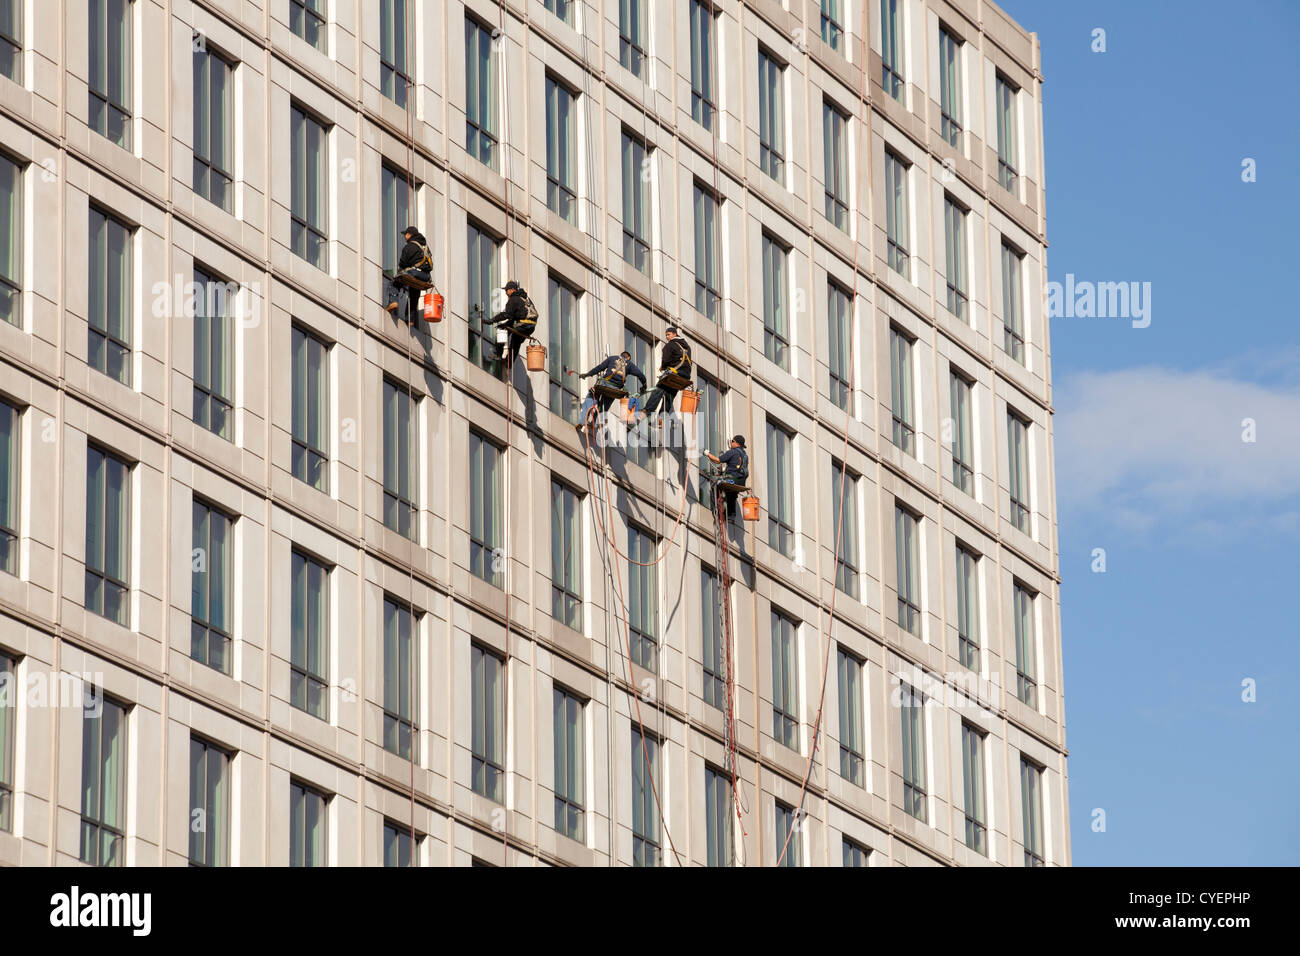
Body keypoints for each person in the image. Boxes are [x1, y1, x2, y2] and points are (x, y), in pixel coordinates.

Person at [577, 350, 648, 426]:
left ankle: (582, 421)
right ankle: (596, 424)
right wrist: (644, 385)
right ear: (629, 357)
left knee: (591, 397)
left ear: (621, 354)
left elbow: (600, 367)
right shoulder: (630, 365)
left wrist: (587, 374)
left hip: (604, 385)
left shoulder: (612, 358)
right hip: (615, 390)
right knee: (604, 407)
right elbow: (641, 375)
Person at [639, 326, 693, 418]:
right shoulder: (687, 347)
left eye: (668, 335)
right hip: (685, 376)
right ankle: (662, 417)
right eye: (666, 335)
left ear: (674, 334)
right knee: (670, 394)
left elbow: (666, 359)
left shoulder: (670, 345)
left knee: (659, 389)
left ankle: (647, 411)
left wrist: (663, 367)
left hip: (675, 373)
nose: (667, 337)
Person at [383, 226, 433, 322]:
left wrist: (400, 271)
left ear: (409, 235)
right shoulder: (425, 247)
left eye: (405, 235)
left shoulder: (410, 246)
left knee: (396, 282)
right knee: (415, 293)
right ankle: (410, 320)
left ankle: (393, 302)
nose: (404, 237)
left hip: (415, 272)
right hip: (426, 276)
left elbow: (403, 263)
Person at [487, 280, 537, 366]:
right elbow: (515, 316)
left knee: (502, 329)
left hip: (523, 324)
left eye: (506, 291)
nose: (506, 294)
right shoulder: (526, 299)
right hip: (531, 326)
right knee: (515, 341)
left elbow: (507, 314)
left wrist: (492, 320)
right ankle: (508, 363)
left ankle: (497, 353)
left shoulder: (514, 299)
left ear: (511, 290)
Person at [704, 435, 749, 520]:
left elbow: (717, 460)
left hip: (732, 479)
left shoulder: (732, 452)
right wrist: (726, 469)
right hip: (741, 482)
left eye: (732, 441)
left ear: (736, 443)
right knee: (732, 493)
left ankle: (715, 509)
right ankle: (731, 516)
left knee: (715, 485)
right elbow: (738, 467)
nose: (731, 443)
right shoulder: (744, 455)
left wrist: (707, 454)